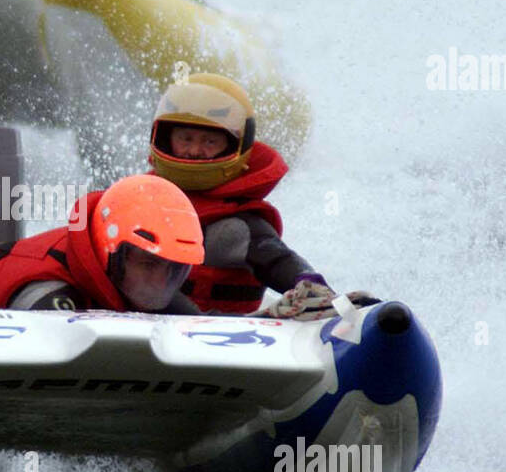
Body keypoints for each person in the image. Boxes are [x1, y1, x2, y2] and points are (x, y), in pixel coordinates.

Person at [149, 72, 362, 319]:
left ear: (233, 147)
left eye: (210, 142)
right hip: (137, 326)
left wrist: (327, 299)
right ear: (165, 139)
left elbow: (280, 261)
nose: (195, 151)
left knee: (228, 233)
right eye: (186, 139)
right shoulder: (139, 202)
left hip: (231, 341)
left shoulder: (240, 225)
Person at [0, 174, 204, 312]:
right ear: (111, 254)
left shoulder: (129, 286)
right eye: (149, 264)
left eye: (173, 270)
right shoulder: (50, 296)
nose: (159, 282)